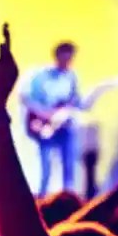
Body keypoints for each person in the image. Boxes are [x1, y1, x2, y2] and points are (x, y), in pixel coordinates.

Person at [22, 41, 81, 195]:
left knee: (69, 164)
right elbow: (27, 99)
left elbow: (74, 100)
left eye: (70, 57)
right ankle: (42, 196)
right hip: (45, 125)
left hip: (64, 126)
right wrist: (45, 113)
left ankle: (68, 197)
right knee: (46, 165)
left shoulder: (72, 76)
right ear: (57, 55)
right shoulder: (42, 76)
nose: (67, 61)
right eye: (65, 56)